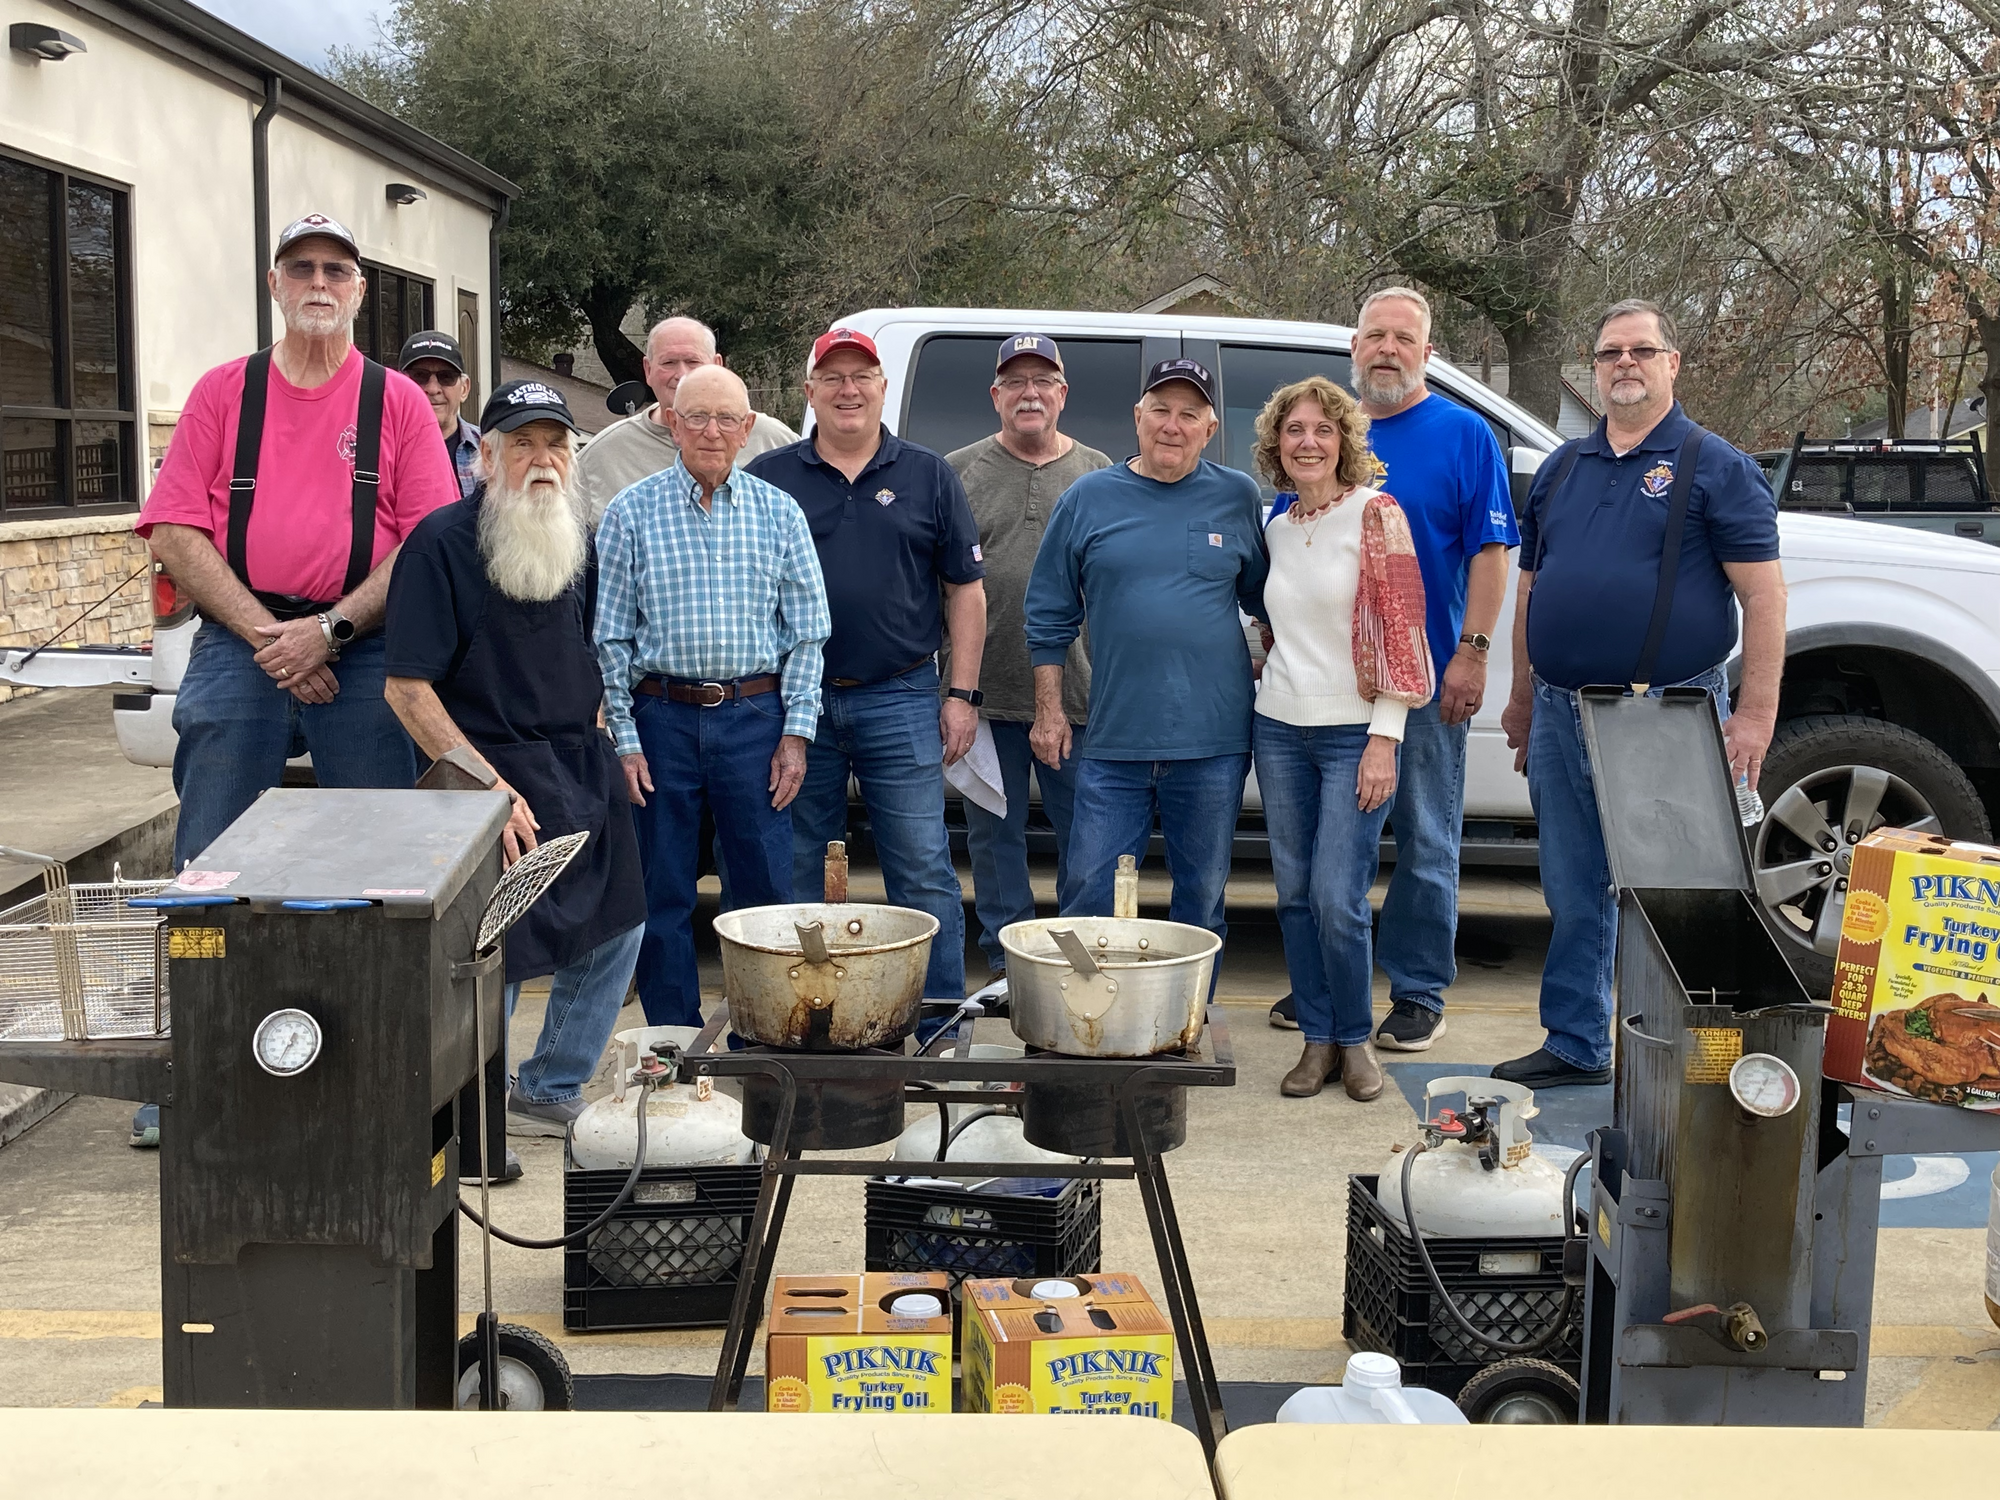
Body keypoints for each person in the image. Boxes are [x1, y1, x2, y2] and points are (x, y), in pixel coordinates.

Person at [128, 212, 458, 1147]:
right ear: (275, 283)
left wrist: (332, 629)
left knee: (385, 860)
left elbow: (430, 544)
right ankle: (188, 1067)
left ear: (360, 290)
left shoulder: (394, 403)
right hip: (245, 636)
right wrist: (273, 636)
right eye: (302, 266)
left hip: (361, 641)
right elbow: (178, 531)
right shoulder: (223, 394)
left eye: (338, 269)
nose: (320, 281)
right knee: (211, 863)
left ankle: (387, 1066)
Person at [1497, 298, 1785, 1088]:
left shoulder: (1715, 465)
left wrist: (1755, 715)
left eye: (1641, 351)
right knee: (1572, 885)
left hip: (1667, 713)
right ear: (1594, 369)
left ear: (1672, 364)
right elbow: (1530, 592)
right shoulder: (1561, 467)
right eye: (1610, 352)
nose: (1625, 363)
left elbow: (1764, 599)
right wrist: (1522, 698)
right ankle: (1576, 1044)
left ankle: (1688, 1058)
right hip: (1559, 711)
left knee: (1678, 895)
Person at [383, 379, 645, 1144]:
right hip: (483, 770)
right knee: (492, 945)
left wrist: (603, 732)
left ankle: (551, 1081)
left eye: (555, 445)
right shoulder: (440, 544)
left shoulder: (579, 535)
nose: (541, 461)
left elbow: (593, 648)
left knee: (617, 925)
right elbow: (406, 691)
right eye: (521, 445)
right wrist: (487, 791)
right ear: (485, 457)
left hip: (576, 760)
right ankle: (472, 1097)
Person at [1266, 288, 1518, 1053]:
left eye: (1402, 338)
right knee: (1323, 855)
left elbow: (1491, 552)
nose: (1387, 349)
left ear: (1427, 353)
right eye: (1374, 335)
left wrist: (1472, 652)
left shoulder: (1464, 434)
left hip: (1430, 677)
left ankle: (1416, 990)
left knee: (1425, 837)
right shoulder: (1321, 439)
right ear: (1353, 346)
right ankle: (1333, 983)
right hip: (1327, 695)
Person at [746, 328, 986, 1008]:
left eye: (863, 376)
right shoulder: (770, 478)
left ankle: (938, 1021)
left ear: (884, 388)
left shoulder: (929, 474)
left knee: (922, 869)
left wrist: (961, 693)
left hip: (901, 695)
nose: (848, 389)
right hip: (796, 702)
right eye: (833, 377)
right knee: (798, 866)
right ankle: (807, 1016)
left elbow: (965, 590)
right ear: (809, 392)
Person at [596, 365, 831, 1026]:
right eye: (696, 415)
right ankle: (673, 1041)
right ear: (671, 420)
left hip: (756, 720)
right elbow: (609, 637)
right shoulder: (630, 512)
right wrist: (624, 736)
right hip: (659, 717)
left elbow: (808, 635)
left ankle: (761, 1036)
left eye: (727, 418)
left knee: (761, 891)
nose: (711, 430)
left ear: (748, 427)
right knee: (660, 889)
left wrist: (797, 734)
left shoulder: (779, 513)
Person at [1024, 357, 1267, 954]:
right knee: (1086, 894)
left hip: (1213, 744)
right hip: (1112, 743)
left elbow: (1269, 603)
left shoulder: (1237, 496)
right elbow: (1048, 613)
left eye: (1190, 414)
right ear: (1137, 418)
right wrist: (1049, 710)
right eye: (1160, 409)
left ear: (1210, 430)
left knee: (1201, 903)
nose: (1172, 425)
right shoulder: (1088, 497)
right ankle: (1081, 1035)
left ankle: (1186, 1033)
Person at [1251, 377, 1434, 1101]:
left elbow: (1403, 629)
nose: (1307, 442)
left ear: (1344, 442)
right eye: (1293, 430)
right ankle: (1317, 1039)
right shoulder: (1276, 526)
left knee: (1338, 896)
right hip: (1279, 729)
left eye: (1322, 430)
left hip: (1352, 733)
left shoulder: (1375, 514)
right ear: (1276, 444)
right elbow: (1272, 627)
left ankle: (1356, 1042)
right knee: (1295, 896)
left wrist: (1385, 737)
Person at [945, 335, 1110, 977]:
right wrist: (951, 692)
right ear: (996, 396)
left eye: (1043, 380)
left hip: (1083, 696)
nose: (1030, 392)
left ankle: (1075, 963)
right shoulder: (957, 472)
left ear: (1063, 394)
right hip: (985, 696)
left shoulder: (1100, 473)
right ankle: (1009, 964)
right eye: (1015, 382)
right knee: (994, 843)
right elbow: (940, 588)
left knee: (1087, 843)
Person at [576, 316, 799, 525]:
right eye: (669, 362)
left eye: (693, 361)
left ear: (717, 365)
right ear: (648, 370)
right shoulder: (603, 454)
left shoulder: (772, 439)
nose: (682, 374)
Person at [399, 330, 481, 498]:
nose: (433, 389)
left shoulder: (489, 452)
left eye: (446, 377)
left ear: (464, 388)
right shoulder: (380, 452)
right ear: (399, 384)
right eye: (419, 376)